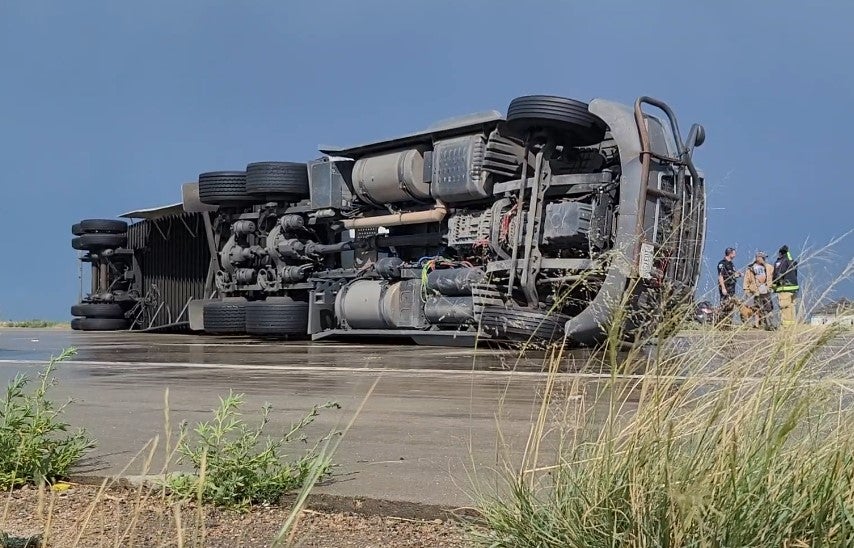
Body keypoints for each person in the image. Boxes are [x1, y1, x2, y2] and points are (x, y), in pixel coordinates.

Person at [743, 251, 775, 329]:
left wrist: (772, 286)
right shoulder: (751, 268)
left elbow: (773, 275)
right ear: (757, 258)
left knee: (768, 307)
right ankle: (756, 324)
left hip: (765, 289)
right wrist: (746, 289)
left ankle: (769, 324)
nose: (763, 259)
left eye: (764, 257)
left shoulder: (769, 267)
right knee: (756, 307)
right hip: (756, 290)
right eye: (762, 257)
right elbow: (746, 279)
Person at [773, 245, 799, 327]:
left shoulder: (780, 262)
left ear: (780, 253)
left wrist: (774, 285)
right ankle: (792, 325)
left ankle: (785, 326)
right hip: (794, 288)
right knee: (792, 307)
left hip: (784, 288)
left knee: (784, 307)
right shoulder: (792, 261)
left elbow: (778, 274)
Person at [716, 247, 741, 326]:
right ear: (730, 253)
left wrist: (738, 274)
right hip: (726, 287)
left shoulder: (731, 264)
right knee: (724, 305)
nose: (735, 254)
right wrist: (723, 288)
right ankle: (720, 323)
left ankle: (727, 324)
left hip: (732, 288)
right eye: (734, 253)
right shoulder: (722, 263)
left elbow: (732, 275)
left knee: (730, 306)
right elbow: (720, 276)